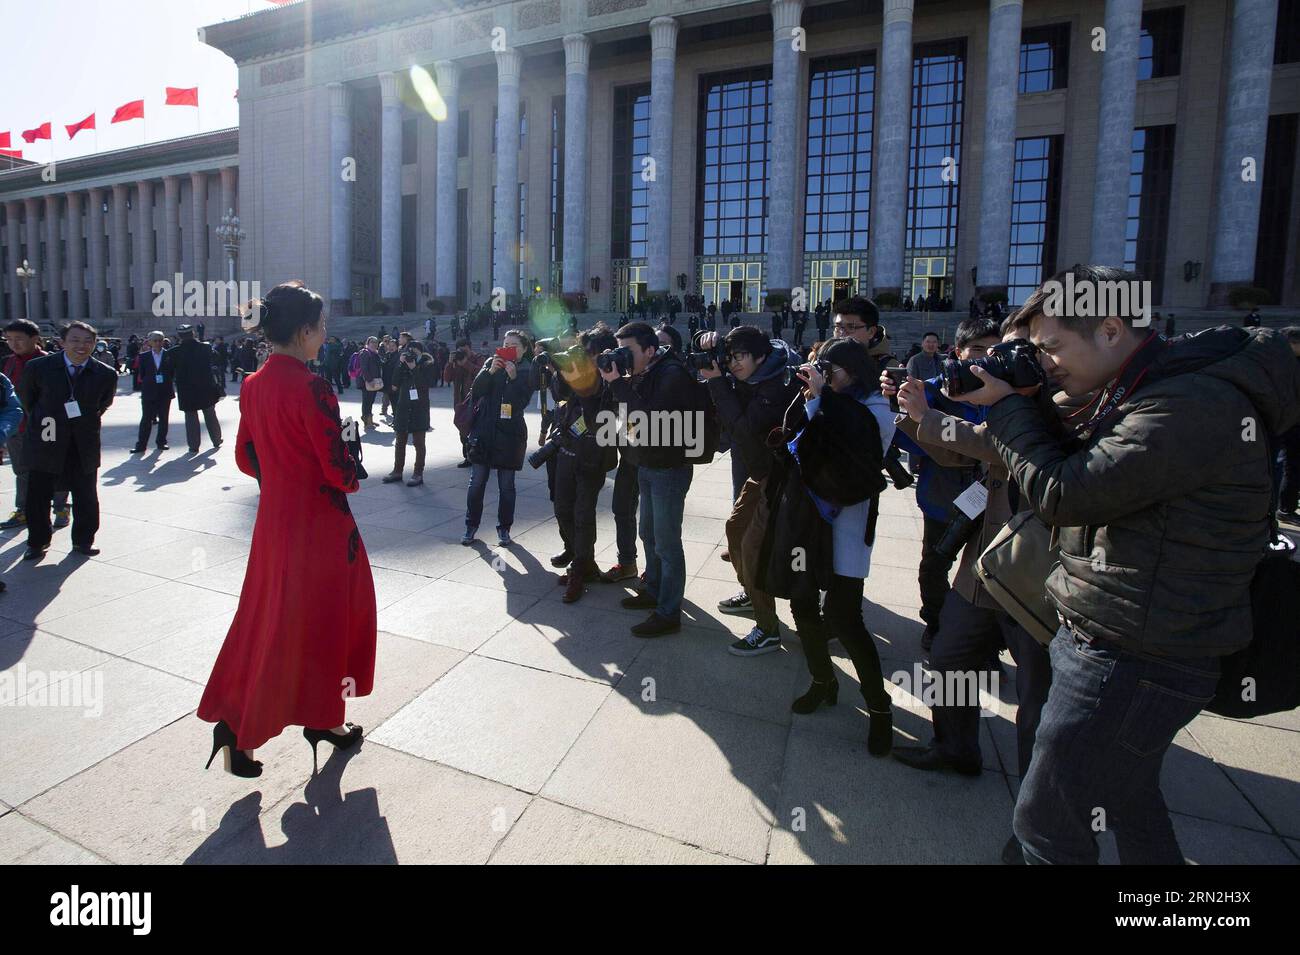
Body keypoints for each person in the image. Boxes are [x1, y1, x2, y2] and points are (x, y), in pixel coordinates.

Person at [967, 265, 1300, 865]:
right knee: (1127, 795)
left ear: (1113, 329)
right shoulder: (1154, 383)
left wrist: (1008, 410)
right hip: (1133, 633)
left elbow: (1070, 492)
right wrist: (1027, 396)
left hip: (1138, 651)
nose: (1047, 364)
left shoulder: (1189, 403)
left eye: (1052, 348)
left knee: (1045, 825)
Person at [198, 281, 375, 778]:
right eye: (321, 328)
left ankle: (239, 727)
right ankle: (323, 719)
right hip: (321, 526)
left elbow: (244, 457)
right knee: (328, 622)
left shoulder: (252, 384)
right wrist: (346, 459)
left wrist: (283, 475)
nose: (324, 337)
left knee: (267, 618)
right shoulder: (314, 387)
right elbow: (340, 472)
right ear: (304, 331)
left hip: (275, 522)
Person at [764, 336, 896, 754]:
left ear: (854, 372)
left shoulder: (876, 411)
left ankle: (880, 708)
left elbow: (855, 450)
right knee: (802, 600)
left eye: (830, 370)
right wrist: (811, 397)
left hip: (848, 526)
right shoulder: (823, 398)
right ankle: (823, 680)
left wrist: (824, 399)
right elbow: (795, 440)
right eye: (819, 367)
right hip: (809, 523)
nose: (822, 376)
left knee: (843, 616)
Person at [893, 317, 999, 650]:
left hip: (992, 499)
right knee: (934, 565)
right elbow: (907, 441)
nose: (986, 359)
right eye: (978, 350)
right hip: (942, 496)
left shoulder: (1009, 391)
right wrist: (914, 414)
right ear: (958, 352)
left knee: (991, 570)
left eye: (995, 350)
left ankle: (984, 637)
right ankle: (935, 622)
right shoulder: (931, 390)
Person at [698, 325, 801, 654]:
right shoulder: (752, 377)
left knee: (753, 546)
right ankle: (751, 594)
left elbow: (743, 431)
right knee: (736, 533)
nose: (732, 364)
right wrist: (706, 340)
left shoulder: (776, 385)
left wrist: (717, 382)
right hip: (760, 473)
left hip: (781, 479)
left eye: (739, 357)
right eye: (728, 358)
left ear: (761, 356)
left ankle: (767, 628)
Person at [600, 321, 701, 637]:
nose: (621, 357)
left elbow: (648, 420)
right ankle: (654, 591)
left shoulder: (671, 374)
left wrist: (618, 383)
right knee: (648, 533)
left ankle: (669, 613)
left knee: (667, 542)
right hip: (647, 463)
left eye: (627, 351)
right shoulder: (644, 372)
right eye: (619, 349)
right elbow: (627, 422)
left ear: (649, 350)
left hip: (669, 468)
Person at [17, 321, 116, 560]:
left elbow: (103, 404)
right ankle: (37, 541)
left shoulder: (105, 373)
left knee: (86, 495)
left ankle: (83, 541)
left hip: (83, 443)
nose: (81, 346)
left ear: (94, 344)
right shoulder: (38, 367)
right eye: (75, 340)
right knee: (38, 495)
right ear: (62, 342)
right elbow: (28, 401)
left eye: (87, 341)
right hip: (46, 440)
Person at [545, 323, 619, 602]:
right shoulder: (580, 371)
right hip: (567, 451)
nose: (585, 357)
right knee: (562, 508)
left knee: (583, 514)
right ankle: (581, 559)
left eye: (589, 353)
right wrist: (560, 367)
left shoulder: (613, 377)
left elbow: (602, 421)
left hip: (593, 455)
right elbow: (559, 395)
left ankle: (580, 569)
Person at [463, 329, 535, 546]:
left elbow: (519, 403)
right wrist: (489, 372)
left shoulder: (526, 370)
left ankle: (504, 528)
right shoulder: (490, 363)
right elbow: (476, 391)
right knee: (476, 482)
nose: (509, 348)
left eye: (514, 345)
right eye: (506, 343)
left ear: (523, 349)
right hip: (484, 432)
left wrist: (512, 379)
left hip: (509, 435)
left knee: (507, 486)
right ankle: (471, 526)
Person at [2, 320, 70, 530]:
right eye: (9, 339)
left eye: (19, 339)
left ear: (35, 339)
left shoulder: (52, 363)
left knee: (53, 469)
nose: (14, 344)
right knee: (21, 470)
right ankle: (23, 509)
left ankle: (60, 507)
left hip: (46, 426)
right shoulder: (7, 363)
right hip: (17, 429)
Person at [382, 341, 437, 487]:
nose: (411, 355)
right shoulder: (403, 365)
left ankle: (418, 473)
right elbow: (394, 385)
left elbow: (425, 384)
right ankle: (397, 471)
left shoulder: (428, 364)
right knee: (400, 442)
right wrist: (401, 365)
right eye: (409, 351)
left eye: (414, 352)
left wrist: (414, 368)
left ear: (421, 352)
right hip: (403, 406)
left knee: (419, 443)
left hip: (419, 408)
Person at [171, 325, 223, 453]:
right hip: (205, 387)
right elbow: (217, 358)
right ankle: (216, 440)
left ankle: (193, 446)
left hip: (186, 389)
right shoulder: (205, 347)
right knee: (210, 414)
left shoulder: (174, 352)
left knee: (190, 417)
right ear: (193, 333)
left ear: (179, 336)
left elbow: (170, 369)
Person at [131, 331, 174, 453]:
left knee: (164, 419)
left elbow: (172, 372)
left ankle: (161, 443)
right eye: (155, 340)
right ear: (149, 342)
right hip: (149, 391)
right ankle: (141, 445)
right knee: (146, 419)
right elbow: (142, 374)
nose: (158, 343)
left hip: (165, 391)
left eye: (160, 340)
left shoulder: (169, 355)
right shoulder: (144, 357)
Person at [357, 336, 384, 430]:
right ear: (368, 343)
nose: (374, 344)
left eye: (376, 342)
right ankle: (366, 422)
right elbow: (364, 368)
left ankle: (370, 420)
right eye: (372, 342)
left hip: (374, 381)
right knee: (367, 401)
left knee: (371, 401)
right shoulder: (365, 352)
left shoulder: (374, 353)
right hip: (367, 382)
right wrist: (369, 380)